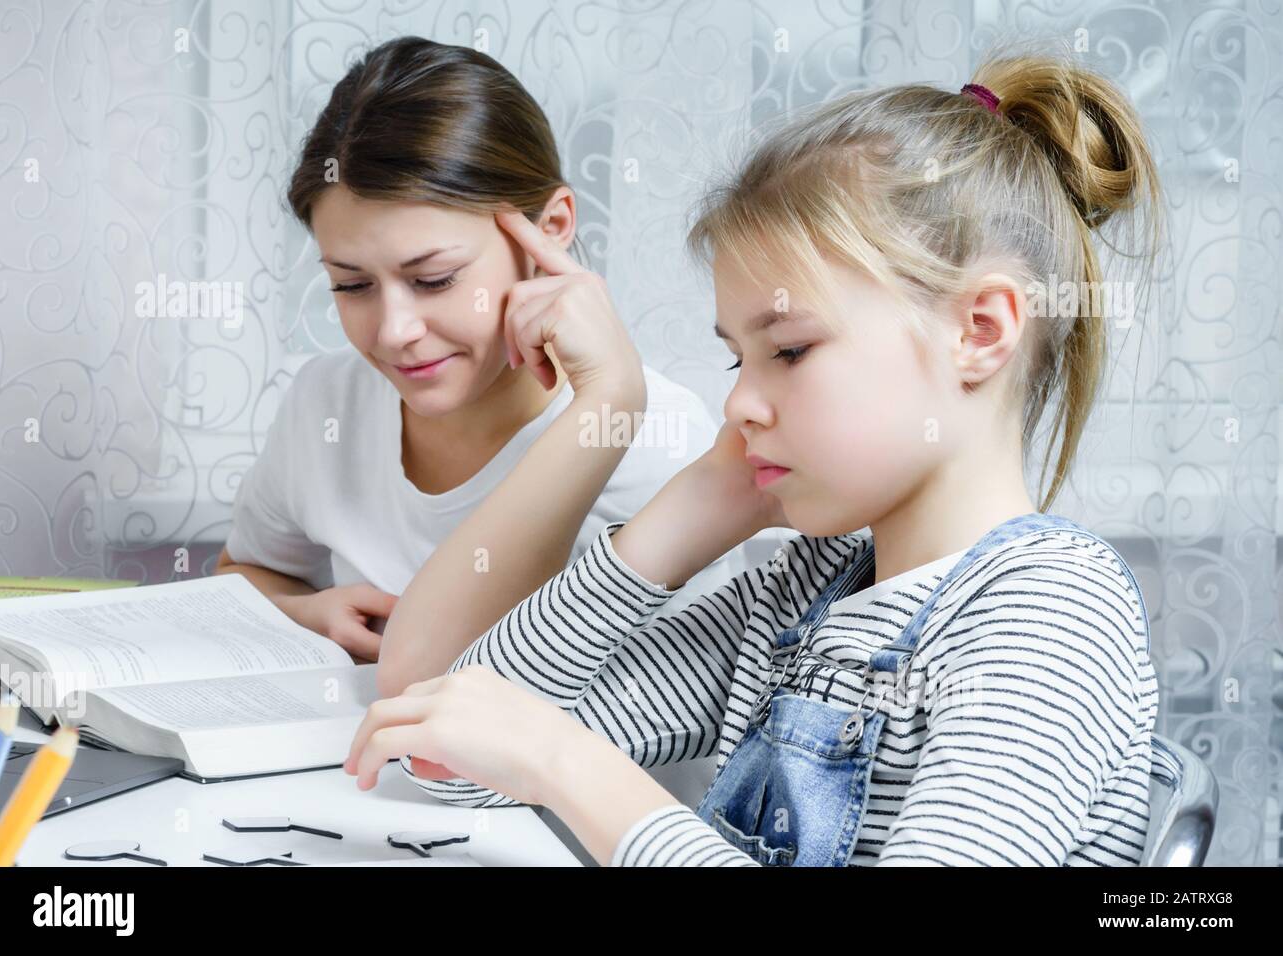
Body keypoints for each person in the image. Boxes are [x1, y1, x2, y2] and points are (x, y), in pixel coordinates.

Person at [345, 47, 1163, 866]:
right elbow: (454, 757)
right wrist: (689, 512)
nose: (739, 402)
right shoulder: (802, 592)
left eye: (792, 351)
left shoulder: (1048, 613)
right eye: (739, 359)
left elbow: (539, 751)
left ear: (978, 331)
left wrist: (568, 764)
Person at [213, 36, 739, 713]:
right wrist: (304, 611)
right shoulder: (328, 400)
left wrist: (607, 403)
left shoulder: (655, 440)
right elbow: (245, 573)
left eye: (433, 279)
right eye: (351, 285)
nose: (393, 330)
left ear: (549, 231)